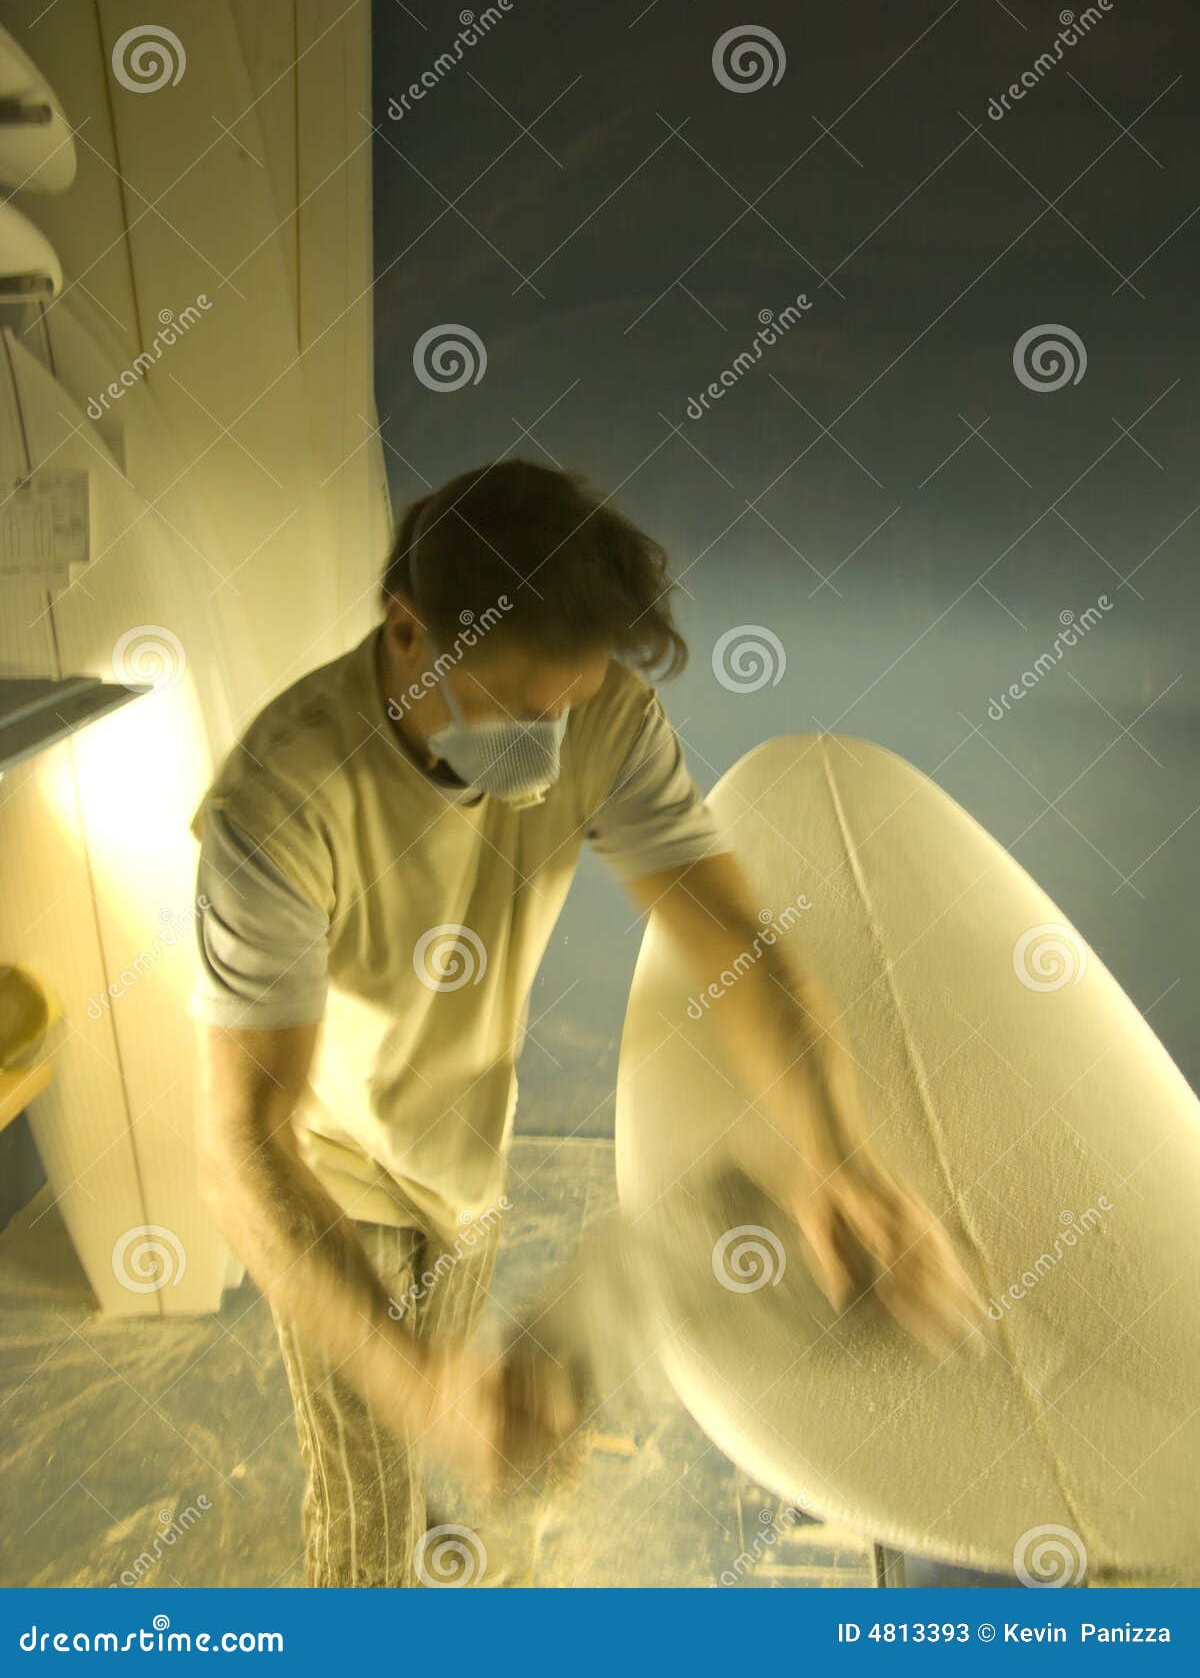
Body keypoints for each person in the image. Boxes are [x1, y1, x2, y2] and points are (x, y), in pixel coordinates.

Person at [190, 457, 980, 1588]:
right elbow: (243, 1138)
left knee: (470, 1411)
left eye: (569, 706)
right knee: (371, 1499)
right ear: (408, 632)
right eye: (521, 710)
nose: (552, 743)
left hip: (464, 1145)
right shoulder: (278, 804)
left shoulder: (604, 716)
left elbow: (733, 940)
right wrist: (411, 1382)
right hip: (332, 1172)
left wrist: (835, 1156)